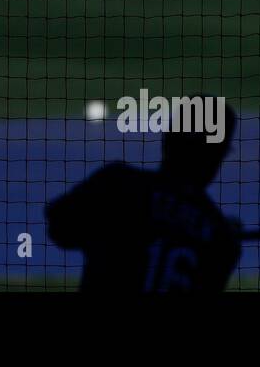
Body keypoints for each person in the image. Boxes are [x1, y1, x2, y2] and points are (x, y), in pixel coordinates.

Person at [46, 103, 241, 292]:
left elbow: (59, 229)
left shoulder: (117, 182)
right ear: (218, 156)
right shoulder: (221, 239)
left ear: (168, 139)